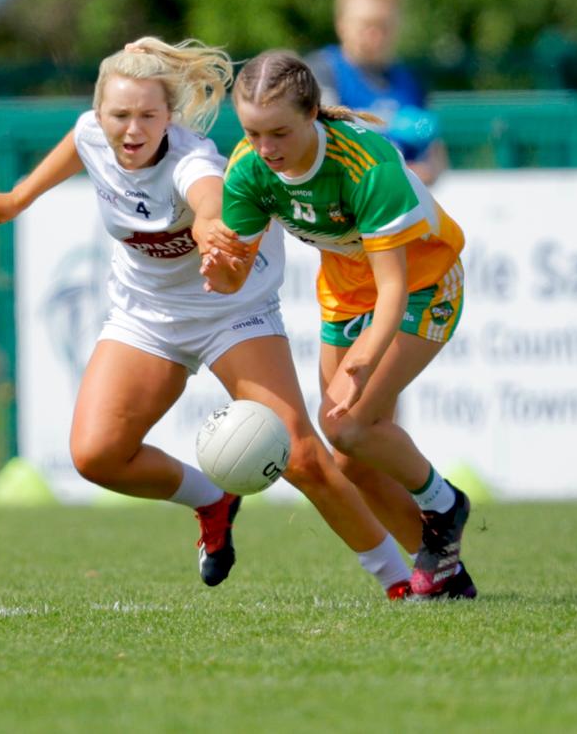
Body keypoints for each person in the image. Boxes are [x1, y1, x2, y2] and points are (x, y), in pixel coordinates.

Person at [0, 37, 419, 600]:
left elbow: (210, 199)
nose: (132, 129)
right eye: (119, 115)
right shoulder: (92, 133)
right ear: (100, 113)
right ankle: (212, 501)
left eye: (148, 115)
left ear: (169, 116)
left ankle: (398, 578)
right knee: (96, 455)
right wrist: (18, 197)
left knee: (301, 457)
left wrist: (204, 225)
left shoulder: (190, 160)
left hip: (231, 311)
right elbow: (77, 144)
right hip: (146, 314)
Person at [200, 50, 476, 599]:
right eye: (253, 133)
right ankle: (445, 578)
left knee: (347, 425)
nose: (266, 148)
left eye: (279, 132)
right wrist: (218, 268)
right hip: (348, 291)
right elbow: (232, 280)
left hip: (425, 283)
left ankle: (445, 506)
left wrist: (366, 357)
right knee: (350, 457)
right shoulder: (249, 168)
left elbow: (395, 288)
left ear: (311, 114)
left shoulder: (365, 163)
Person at [305, 0, 448, 186]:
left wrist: (425, 171)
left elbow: (436, 159)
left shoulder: (410, 82)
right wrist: (388, 126)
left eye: (384, 26)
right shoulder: (321, 72)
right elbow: (323, 135)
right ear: (342, 25)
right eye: (366, 25)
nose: (375, 35)